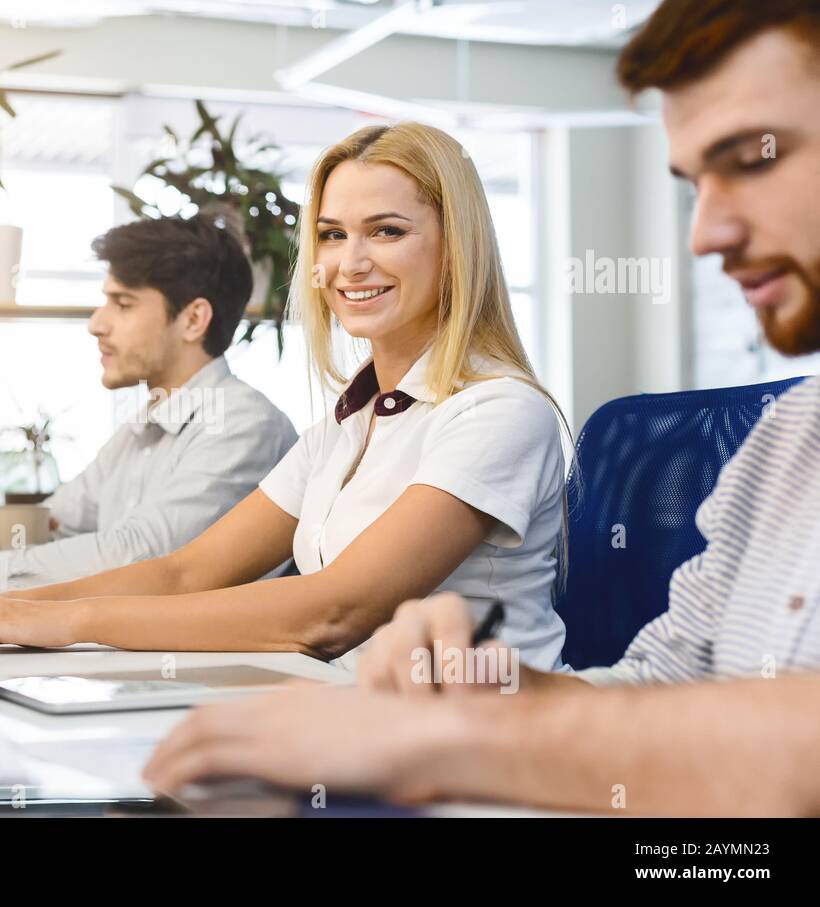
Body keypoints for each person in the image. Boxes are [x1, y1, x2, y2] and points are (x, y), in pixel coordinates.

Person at [143, 0, 820, 817]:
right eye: (693, 184)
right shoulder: (785, 444)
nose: (703, 233)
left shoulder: (498, 409)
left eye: (753, 159)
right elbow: (661, 684)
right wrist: (491, 686)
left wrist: (457, 741)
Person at [0, 121, 570, 670]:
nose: (350, 262)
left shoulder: (500, 411)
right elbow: (188, 570)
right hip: (345, 717)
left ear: (456, 247)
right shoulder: (346, 424)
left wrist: (61, 620)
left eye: (386, 231)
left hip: (471, 744)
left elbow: (335, 610)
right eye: (331, 235)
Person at [0, 214, 297, 591]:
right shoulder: (141, 429)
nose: (96, 324)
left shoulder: (242, 423)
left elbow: (139, 554)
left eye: (122, 304)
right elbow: (62, 522)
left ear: (194, 319)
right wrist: (2, 541)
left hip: (210, 682)